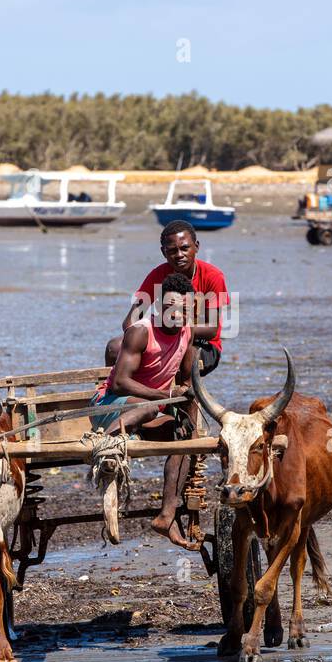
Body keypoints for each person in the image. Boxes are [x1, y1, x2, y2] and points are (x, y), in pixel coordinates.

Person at [90, 271, 202, 546]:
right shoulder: (141, 332)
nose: (177, 315)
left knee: (183, 439)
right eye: (170, 308)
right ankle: (112, 440)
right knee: (149, 408)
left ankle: (167, 515)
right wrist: (162, 396)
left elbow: (187, 383)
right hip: (108, 408)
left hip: (147, 411)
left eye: (184, 309)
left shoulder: (187, 335)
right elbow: (119, 382)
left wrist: (186, 406)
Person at [105, 219, 228, 378]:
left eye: (185, 248)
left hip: (203, 345)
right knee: (114, 348)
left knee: (182, 356)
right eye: (172, 250)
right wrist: (152, 334)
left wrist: (172, 329)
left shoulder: (213, 276)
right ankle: (110, 394)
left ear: (196, 247)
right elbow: (130, 321)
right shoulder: (158, 274)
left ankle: (182, 397)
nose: (179, 255)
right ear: (163, 252)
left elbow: (211, 330)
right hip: (165, 338)